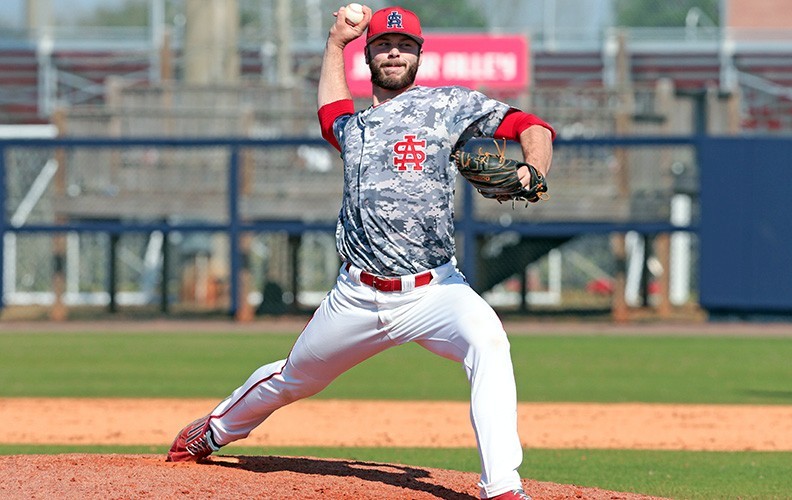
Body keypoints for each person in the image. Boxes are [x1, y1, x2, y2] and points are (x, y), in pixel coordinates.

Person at [167, 5, 555, 499]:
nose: (394, 53)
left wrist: (532, 169)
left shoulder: (448, 105)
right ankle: (215, 430)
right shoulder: (356, 128)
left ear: (419, 54)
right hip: (357, 295)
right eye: (383, 45)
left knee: (489, 343)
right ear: (368, 55)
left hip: (434, 290)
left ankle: (501, 486)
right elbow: (329, 112)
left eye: (405, 45)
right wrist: (335, 42)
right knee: (294, 379)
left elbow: (532, 125)